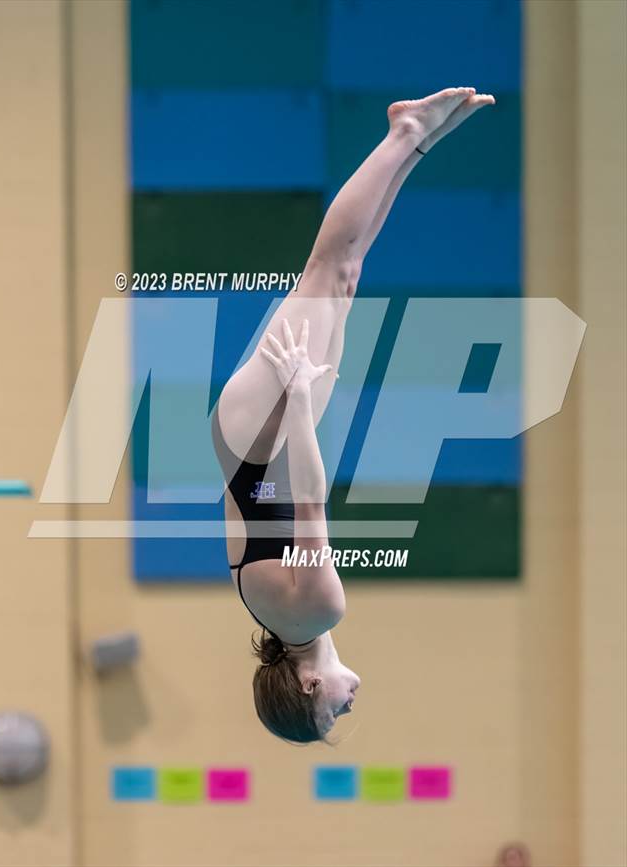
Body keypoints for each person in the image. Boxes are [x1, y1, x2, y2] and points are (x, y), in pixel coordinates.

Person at [212, 87, 496, 743]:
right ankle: (416, 142)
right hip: (250, 442)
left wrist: (297, 400)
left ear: (308, 687)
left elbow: (309, 502)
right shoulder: (279, 619)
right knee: (344, 277)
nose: (348, 704)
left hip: (266, 436)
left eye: (333, 711)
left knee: (327, 269)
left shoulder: (315, 612)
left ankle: (405, 132)